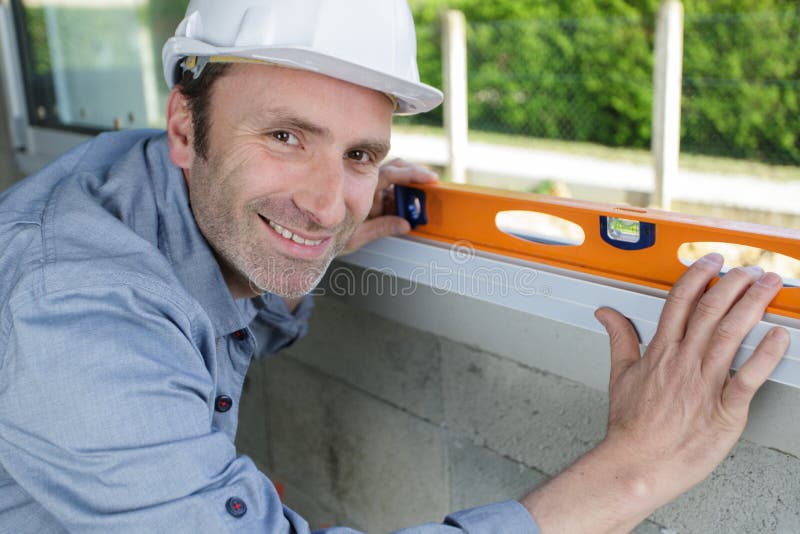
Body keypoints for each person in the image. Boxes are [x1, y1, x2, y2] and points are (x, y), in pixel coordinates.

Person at [0, 0, 788, 532]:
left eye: (360, 155)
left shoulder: (138, 187)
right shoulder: (76, 306)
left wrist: (297, 244)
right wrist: (634, 471)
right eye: (285, 137)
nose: (327, 199)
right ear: (183, 125)